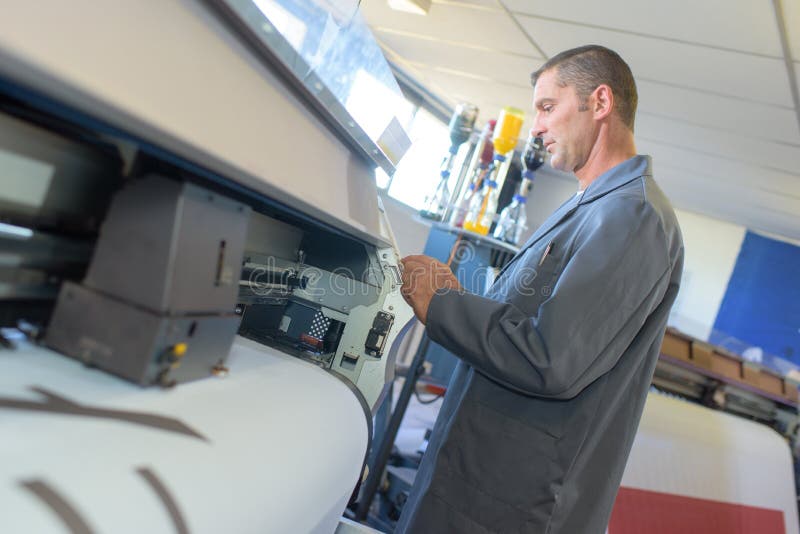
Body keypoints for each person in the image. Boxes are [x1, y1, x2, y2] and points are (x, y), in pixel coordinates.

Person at [396, 45, 684, 533]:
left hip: (517, 504)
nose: (536, 127)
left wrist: (443, 305)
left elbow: (551, 357)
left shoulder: (633, 216)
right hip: (480, 475)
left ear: (599, 102)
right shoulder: (590, 208)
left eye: (548, 107)